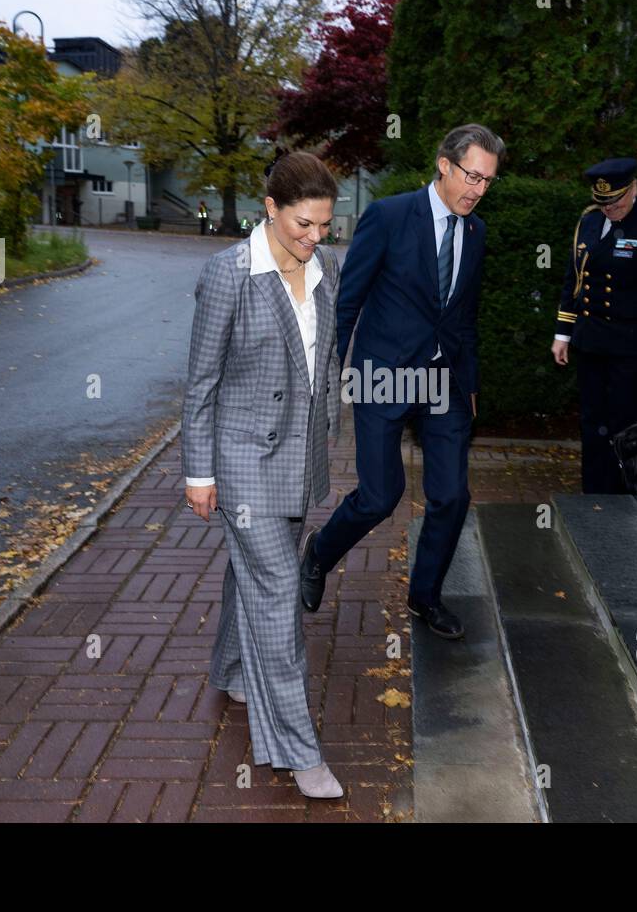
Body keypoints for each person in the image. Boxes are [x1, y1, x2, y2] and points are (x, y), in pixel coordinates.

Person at [298, 124, 505, 640]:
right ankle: (319, 553)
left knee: (451, 496)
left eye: (488, 181)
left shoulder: (475, 233)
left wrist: (470, 383)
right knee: (379, 496)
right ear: (444, 164)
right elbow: (349, 302)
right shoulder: (389, 216)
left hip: (445, 382)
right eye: (472, 176)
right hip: (382, 376)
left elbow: (465, 317)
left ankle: (425, 596)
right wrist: (327, 376)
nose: (478, 190)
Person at [182, 152, 345, 799]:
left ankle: (229, 667)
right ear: (271, 209)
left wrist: (328, 430)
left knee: (250, 572)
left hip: (299, 459)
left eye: (324, 226)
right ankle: (299, 753)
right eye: (303, 224)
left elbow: (324, 360)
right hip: (244, 460)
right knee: (278, 590)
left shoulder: (324, 269)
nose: (314, 238)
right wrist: (199, 471)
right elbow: (201, 382)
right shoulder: (229, 274)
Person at [550, 158, 637, 493]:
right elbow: (573, 280)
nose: (611, 209)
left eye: (617, 202)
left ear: (633, 189)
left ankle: (620, 495)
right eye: (604, 202)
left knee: (623, 423)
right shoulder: (588, 223)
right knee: (592, 421)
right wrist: (563, 333)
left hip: (631, 345)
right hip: (590, 340)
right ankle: (592, 490)